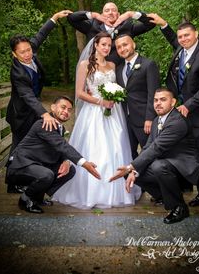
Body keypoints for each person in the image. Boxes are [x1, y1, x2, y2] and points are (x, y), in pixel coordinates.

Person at [52, 32, 141, 209]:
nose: (107, 48)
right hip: (93, 112)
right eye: (104, 45)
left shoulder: (113, 64)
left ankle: (116, 191)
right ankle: (90, 191)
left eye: (109, 45)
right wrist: (101, 101)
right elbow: (79, 92)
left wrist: (113, 99)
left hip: (113, 112)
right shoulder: (85, 65)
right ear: (95, 45)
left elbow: (116, 86)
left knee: (115, 147)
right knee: (94, 147)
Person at [148, 14, 199, 206]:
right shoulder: (181, 48)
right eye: (181, 37)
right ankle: (185, 184)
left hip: (198, 115)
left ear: (196, 34)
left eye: (187, 35)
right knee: (179, 148)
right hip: (178, 112)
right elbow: (173, 38)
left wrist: (188, 105)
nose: (183, 39)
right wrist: (164, 24)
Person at [109, 88, 199, 224]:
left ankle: (180, 207)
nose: (158, 103)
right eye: (156, 100)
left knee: (157, 166)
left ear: (173, 102)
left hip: (184, 168)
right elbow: (147, 147)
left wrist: (132, 167)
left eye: (163, 100)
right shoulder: (157, 120)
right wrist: (133, 170)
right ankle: (163, 196)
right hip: (168, 163)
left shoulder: (177, 122)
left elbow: (156, 148)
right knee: (130, 172)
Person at [6, 10, 72, 193]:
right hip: (20, 114)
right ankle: (12, 183)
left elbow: (40, 35)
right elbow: (27, 96)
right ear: (14, 54)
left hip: (32, 111)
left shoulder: (30, 49)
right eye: (22, 52)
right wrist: (45, 114)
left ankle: (30, 175)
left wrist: (55, 18)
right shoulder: (17, 73)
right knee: (18, 146)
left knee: (31, 144)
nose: (27, 54)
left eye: (28, 50)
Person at [6, 96, 101, 214]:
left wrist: (66, 161)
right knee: (46, 175)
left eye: (69, 110)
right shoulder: (44, 123)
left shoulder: (60, 127)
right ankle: (25, 199)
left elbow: (59, 147)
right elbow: (62, 145)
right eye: (63, 107)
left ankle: (37, 197)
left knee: (70, 170)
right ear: (52, 107)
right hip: (21, 165)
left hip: (37, 164)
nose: (66, 112)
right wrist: (84, 163)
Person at [115, 34, 160, 159]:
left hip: (144, 120)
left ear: (133, 44)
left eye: (125, 44)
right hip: (125, 120)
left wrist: (150, 118)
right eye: (118, 47)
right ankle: (134, 178)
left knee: (149, 154)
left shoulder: (148, 64)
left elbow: (153, 93)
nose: (122, 49)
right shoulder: (119, 69)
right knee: (129, 154)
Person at [67, 2, 156, 65]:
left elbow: (152, 22)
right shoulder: (92, 27)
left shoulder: (127, 27)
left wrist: (131, 14)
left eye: (113, 10)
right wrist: (93, 15)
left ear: (118, 14)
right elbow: (71, 18)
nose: (110, 12)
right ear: (102, 14)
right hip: (96, 72)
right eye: (107, 10)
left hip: (121, 76)